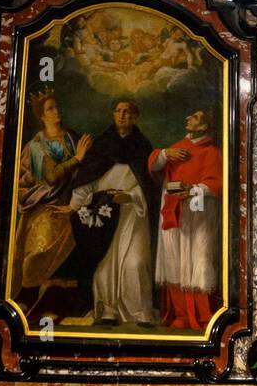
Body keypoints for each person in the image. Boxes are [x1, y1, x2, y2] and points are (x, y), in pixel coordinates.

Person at [68, 99, 160, 325]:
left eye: (127, 112)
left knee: (135, 264)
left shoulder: (142, 146)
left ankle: (140, 312)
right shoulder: (102, 144)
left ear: (135, 116)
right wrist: (72, 206)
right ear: (113, 114)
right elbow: (87, 179)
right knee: (104, 267)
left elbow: (149, 186)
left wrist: (130, 197)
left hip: (132, 215)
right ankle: (108, 309)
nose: (122, 115)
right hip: (104, 214)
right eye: (118, 111)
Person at [12, 90, 92, 319]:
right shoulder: (38, 145)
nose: (56, 112)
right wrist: (77, 159)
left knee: (65, 260)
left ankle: (56, 305)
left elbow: (86, 168)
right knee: (38, 253)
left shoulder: (70, 137)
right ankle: (28, 299)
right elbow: (51, 176)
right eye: (50, 109)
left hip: (69, 205)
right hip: (44, 206)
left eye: (56, 107)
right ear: (41, 116)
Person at [149, 108, 223, 329]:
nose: (187, 118)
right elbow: (153, 166)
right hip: (172, 211)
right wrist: (164, 154)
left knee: (197, 261)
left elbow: (218, 183)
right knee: (174, 263)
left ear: (204, 126)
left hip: (198, 214)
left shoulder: (212, 152)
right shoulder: (177, 148)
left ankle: (201, 317)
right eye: (189, 115)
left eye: (195, 117)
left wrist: (192, 190)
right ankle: (179, 315)